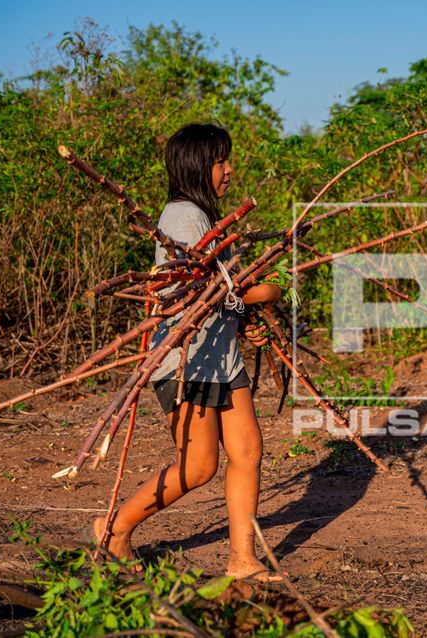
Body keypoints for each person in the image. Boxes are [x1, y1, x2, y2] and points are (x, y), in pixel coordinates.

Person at [92, 123, 282, 582]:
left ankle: (242, 560)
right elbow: (204, 291)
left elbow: (217, 294)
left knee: (248, 449)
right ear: (199, 165)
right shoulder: (182, 217)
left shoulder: (204, 218)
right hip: (187, 359)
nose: (229, 170)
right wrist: (260, 293)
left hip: (219, 356)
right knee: (198, 467)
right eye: (221, 161)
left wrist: (244, 320)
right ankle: (113, 529)